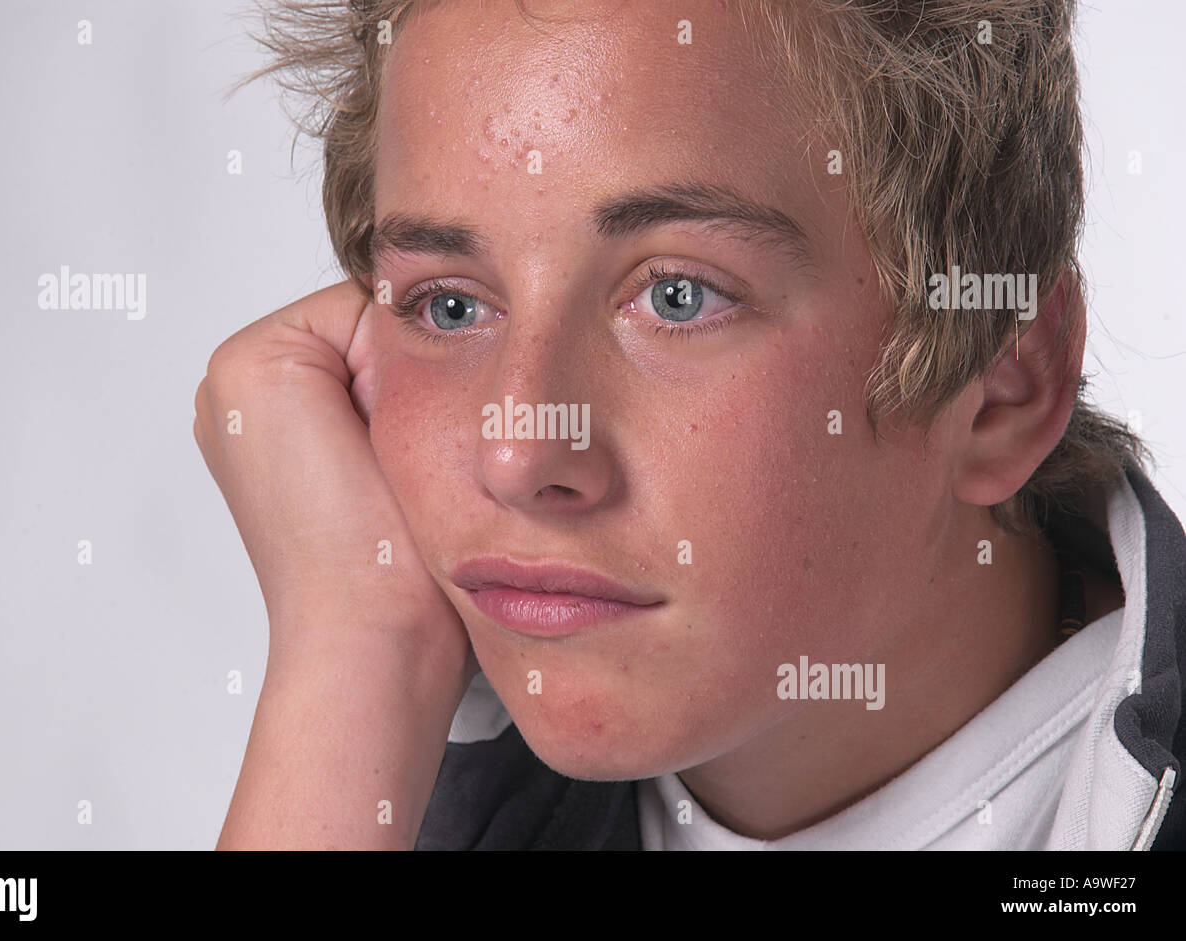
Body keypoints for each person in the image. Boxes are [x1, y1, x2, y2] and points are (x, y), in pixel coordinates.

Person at [195, 0, 1186, 849]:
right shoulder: (381, 771)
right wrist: (355, 667)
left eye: (676, 295)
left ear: (1003, 378)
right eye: (448, 305)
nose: (517, 451)